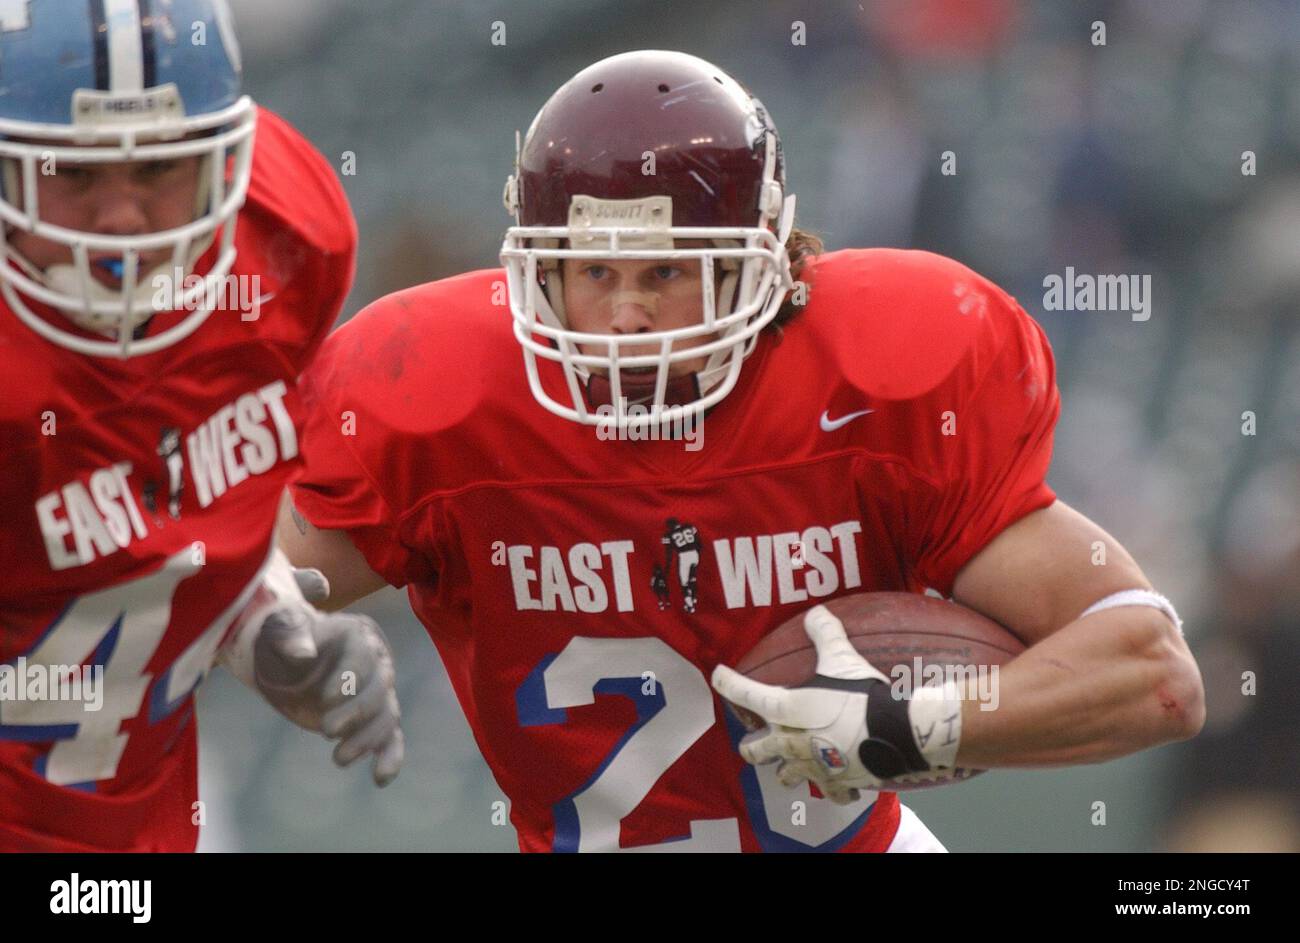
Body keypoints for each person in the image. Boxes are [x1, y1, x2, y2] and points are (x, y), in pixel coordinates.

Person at [280, 50, 1203, 852]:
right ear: (538, 270)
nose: (625, 313)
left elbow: (1152, 671)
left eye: (667, 272)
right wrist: (266, 644)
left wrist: (919, 727)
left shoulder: (867, 388)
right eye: (593, 270)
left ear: (761, 266)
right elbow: (236, 599)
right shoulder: (449, 403)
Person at [0, 0, 402, 853]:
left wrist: (259, 616)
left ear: (227, 162)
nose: (121, 221)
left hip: (148, 821)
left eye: (155, 171)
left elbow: (162, 484)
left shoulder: (288, 241)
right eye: (74, 176)